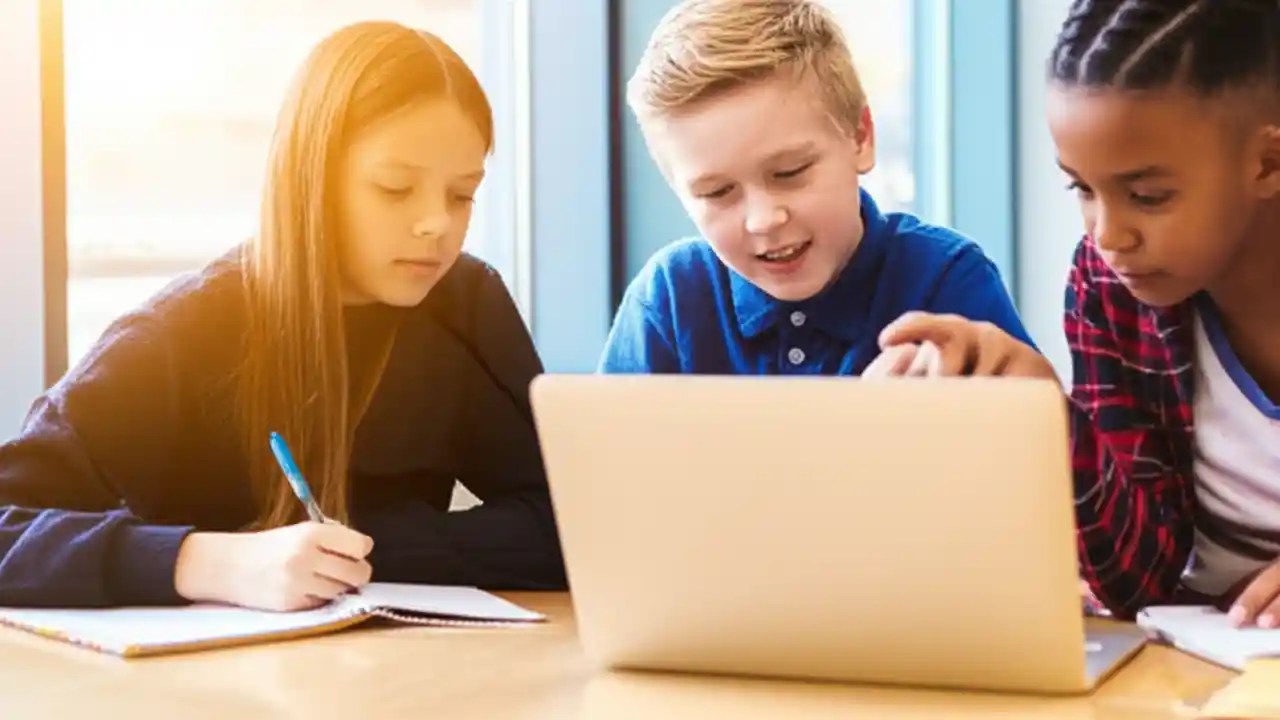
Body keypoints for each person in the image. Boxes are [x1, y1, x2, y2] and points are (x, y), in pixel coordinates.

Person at [0, 21, 565, 610]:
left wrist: (355, 549)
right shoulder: (180, 333)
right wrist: (202, 560)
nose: (437, 224)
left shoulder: (464, 303)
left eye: (462, 195)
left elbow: (568, 524)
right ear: (310, 179)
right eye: (395, 188)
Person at [886, 0, 1280, 624]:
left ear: (1267, 162)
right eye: (1082, 188)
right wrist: (1048, 411)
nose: (1107, 233)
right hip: (1204, 660)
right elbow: (1138, 582)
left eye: (1147, 196)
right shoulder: (1109, 285)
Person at [598, 0, 1034, 377]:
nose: (764, 219)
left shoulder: (945, 278)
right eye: (717, 193)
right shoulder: (668, 301)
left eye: (790, 172)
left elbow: (1038, 456)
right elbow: (600, 465)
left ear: (860, 137)